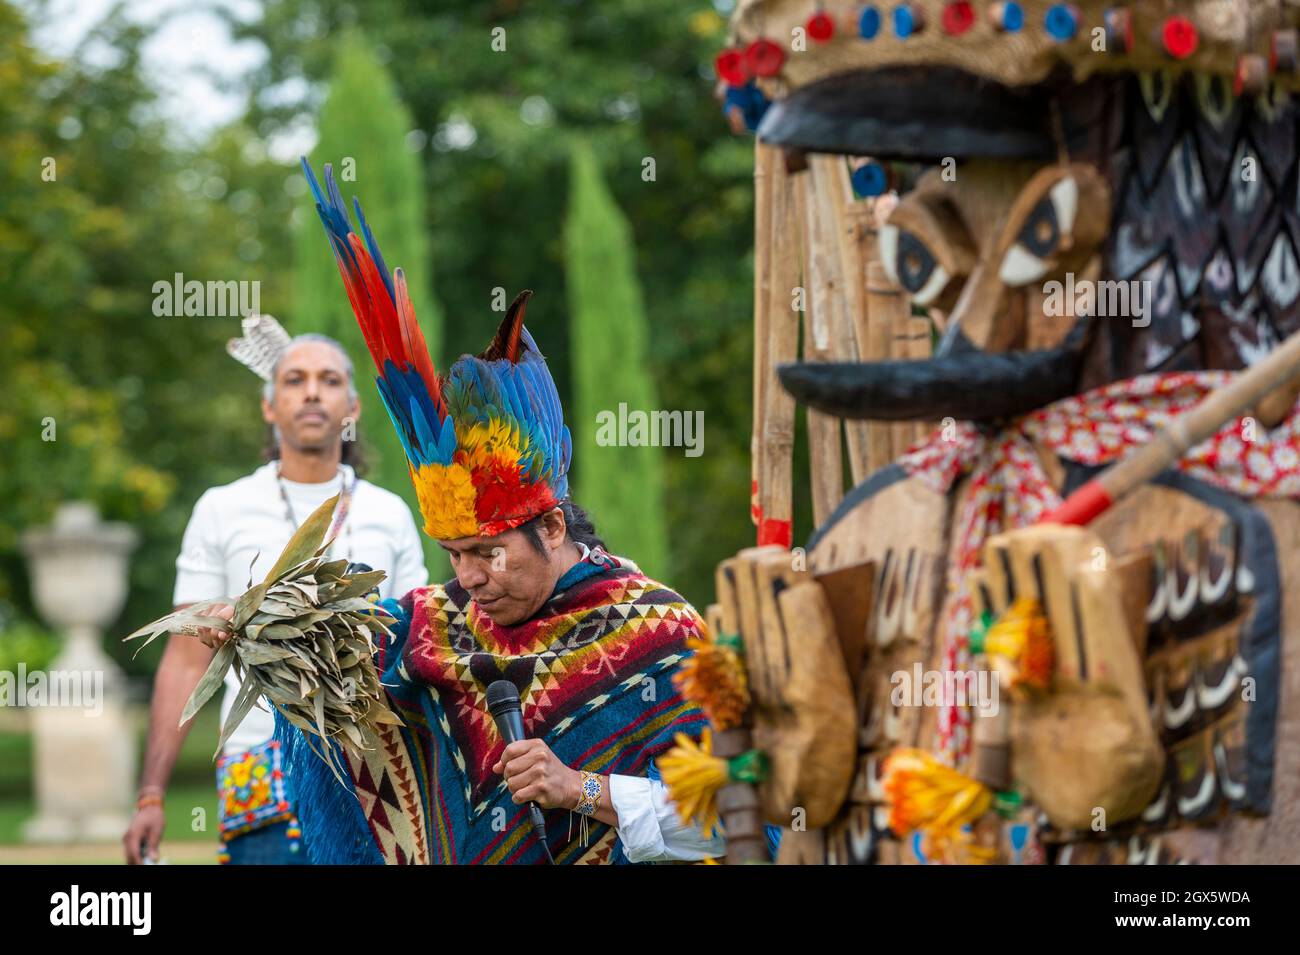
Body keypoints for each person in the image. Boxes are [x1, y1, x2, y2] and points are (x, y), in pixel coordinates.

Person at [194, 161, 724, 863]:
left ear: (554, 526)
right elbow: (336, 654)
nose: (469, 576)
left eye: (488, 550)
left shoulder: (662, 634)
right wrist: (260, 620)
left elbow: (741, 817)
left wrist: (583, 788)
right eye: (455, 554)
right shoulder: (433, 625)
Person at [122, 319, 429, 865]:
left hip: (373, 770)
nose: (312, 391)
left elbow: (417, 648)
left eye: (329, 379)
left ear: (353, 407)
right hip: (257, 769)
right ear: (269, 406)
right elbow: (184, 662)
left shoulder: (392, 513)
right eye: (295, 379)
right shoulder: (222, 508)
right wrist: (151, 793)